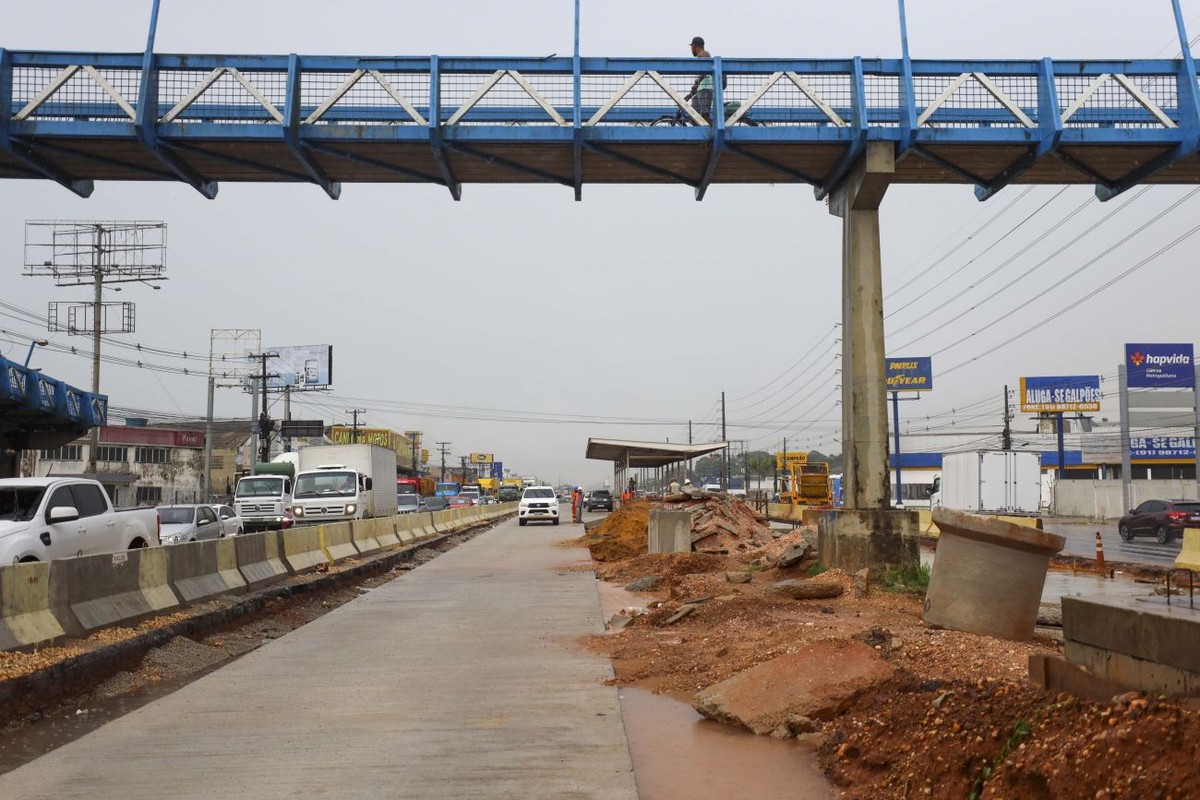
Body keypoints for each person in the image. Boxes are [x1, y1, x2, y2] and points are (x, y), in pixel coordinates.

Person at [684, 36, 713, 123]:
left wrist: (696, 83)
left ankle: (713, 132)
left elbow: (704, 72)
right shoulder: (701, 55)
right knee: (694, 116)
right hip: (700, 90)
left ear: (694, 46)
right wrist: (689, 95)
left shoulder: (704, 54)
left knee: (704, 116)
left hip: (705, 88)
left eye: (692, 47)